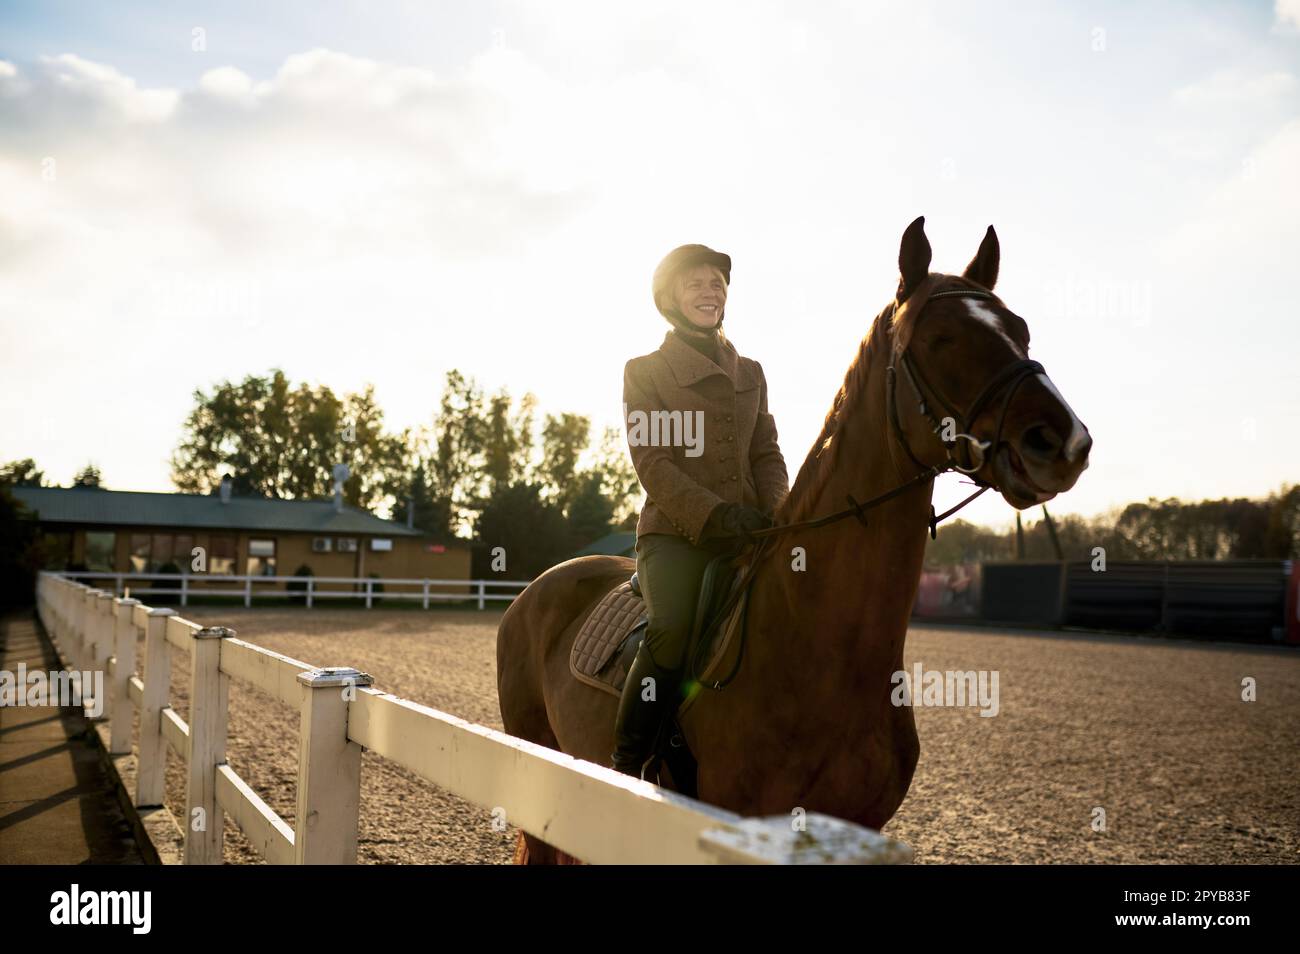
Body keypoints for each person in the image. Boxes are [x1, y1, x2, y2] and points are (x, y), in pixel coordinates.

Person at [611, 243, 790, 778]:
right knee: (673, 626)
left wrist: (777, 512)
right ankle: (630, 759)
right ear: (670, 298)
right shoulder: (645, 371)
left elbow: (766, 452)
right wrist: (715, 515)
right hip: (675, 535)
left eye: (717, 284)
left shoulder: (752, 371)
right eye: (696, 284)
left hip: (752, 532)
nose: (710, 292)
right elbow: (654, 462)